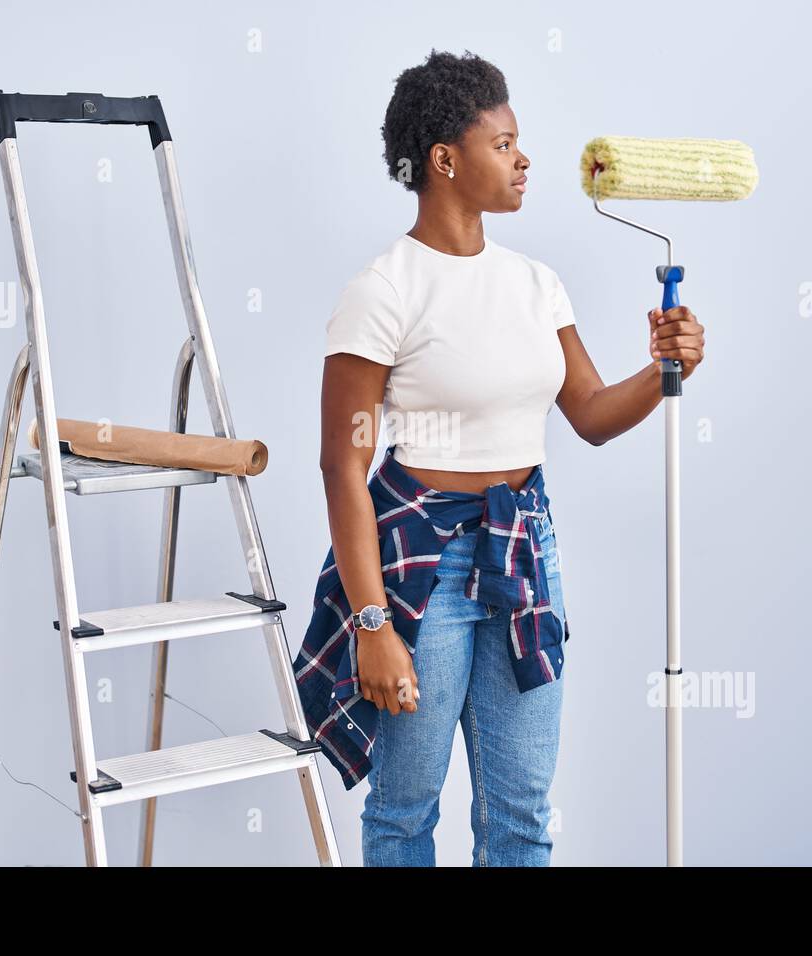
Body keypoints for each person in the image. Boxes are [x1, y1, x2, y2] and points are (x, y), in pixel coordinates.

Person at [301, 49, 706, 867]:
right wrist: (372, 624)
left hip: (525, 555)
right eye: (505, 143)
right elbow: (343, 466)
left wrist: (668, 368)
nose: (525, 160)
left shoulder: (536, 283)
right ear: (445, 159)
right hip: (422, 571)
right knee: (406, 812)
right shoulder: (384, 291)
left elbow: (590, 415)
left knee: (523, 812)